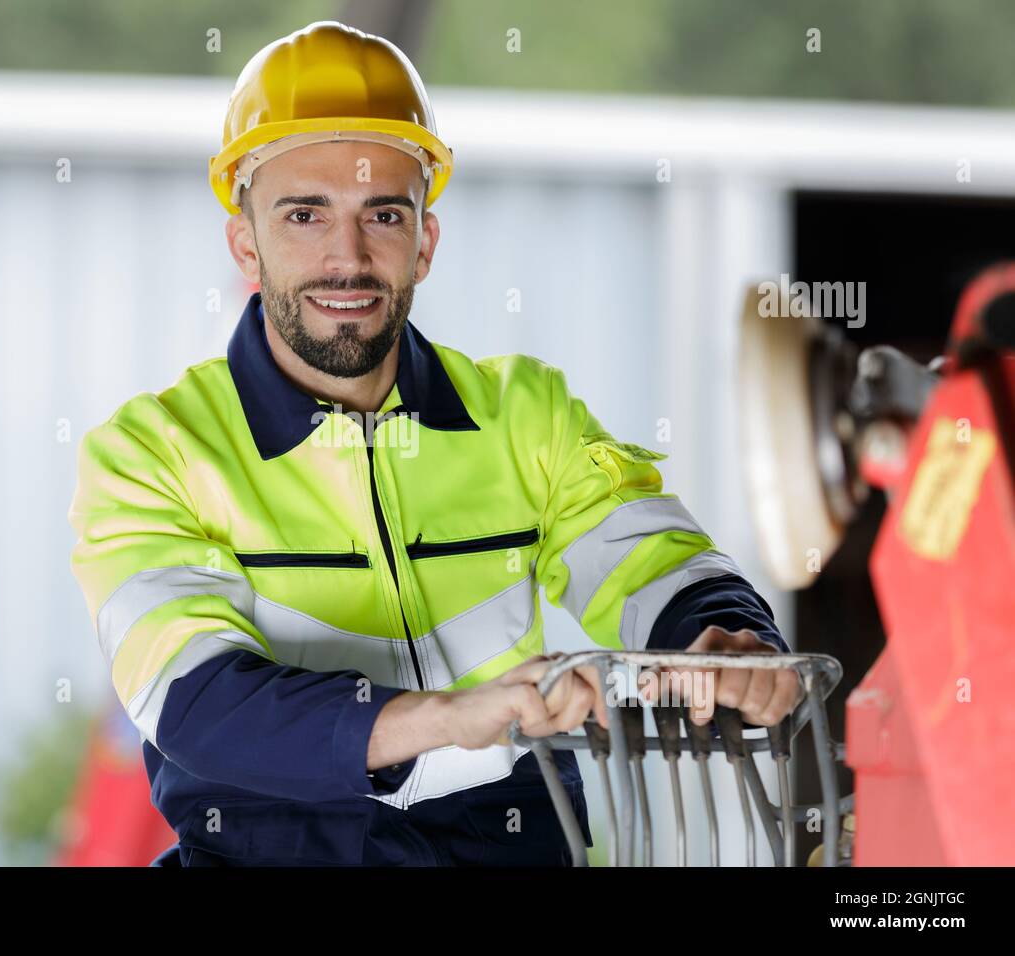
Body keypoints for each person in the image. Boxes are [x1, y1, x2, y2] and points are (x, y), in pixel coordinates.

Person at [67, 20, 799, 867]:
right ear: (246, 244)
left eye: (384, 213)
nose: (348, 258)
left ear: (426, 242)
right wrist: (446, 717)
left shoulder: (525, 414)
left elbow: (660, 563)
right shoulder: (149, 453)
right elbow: (199, 704)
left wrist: (727, 640)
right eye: (304, 215)